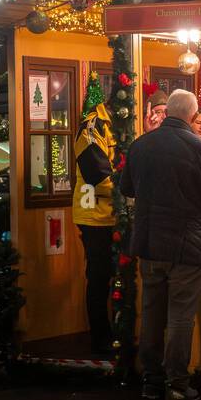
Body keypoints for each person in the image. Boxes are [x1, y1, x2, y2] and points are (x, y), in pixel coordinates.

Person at [120, 88, 201, 400]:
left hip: (150, 243)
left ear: (167, 112)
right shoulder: (197, 146)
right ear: (192, 116)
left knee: (152, 313)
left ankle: (151, 382)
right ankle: (177, 385)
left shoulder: (141, 145)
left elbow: (126, 187)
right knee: (181, 315)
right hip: (186, 244)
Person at [73, 87, 117, 355]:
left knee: (116, 278)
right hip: (94, 216)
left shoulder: (121, 124)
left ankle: (117, 335)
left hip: (113, 214)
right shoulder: (91, 127)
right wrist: (132, 191)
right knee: (99, 279)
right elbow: (98, 176)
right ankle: (101, 340)